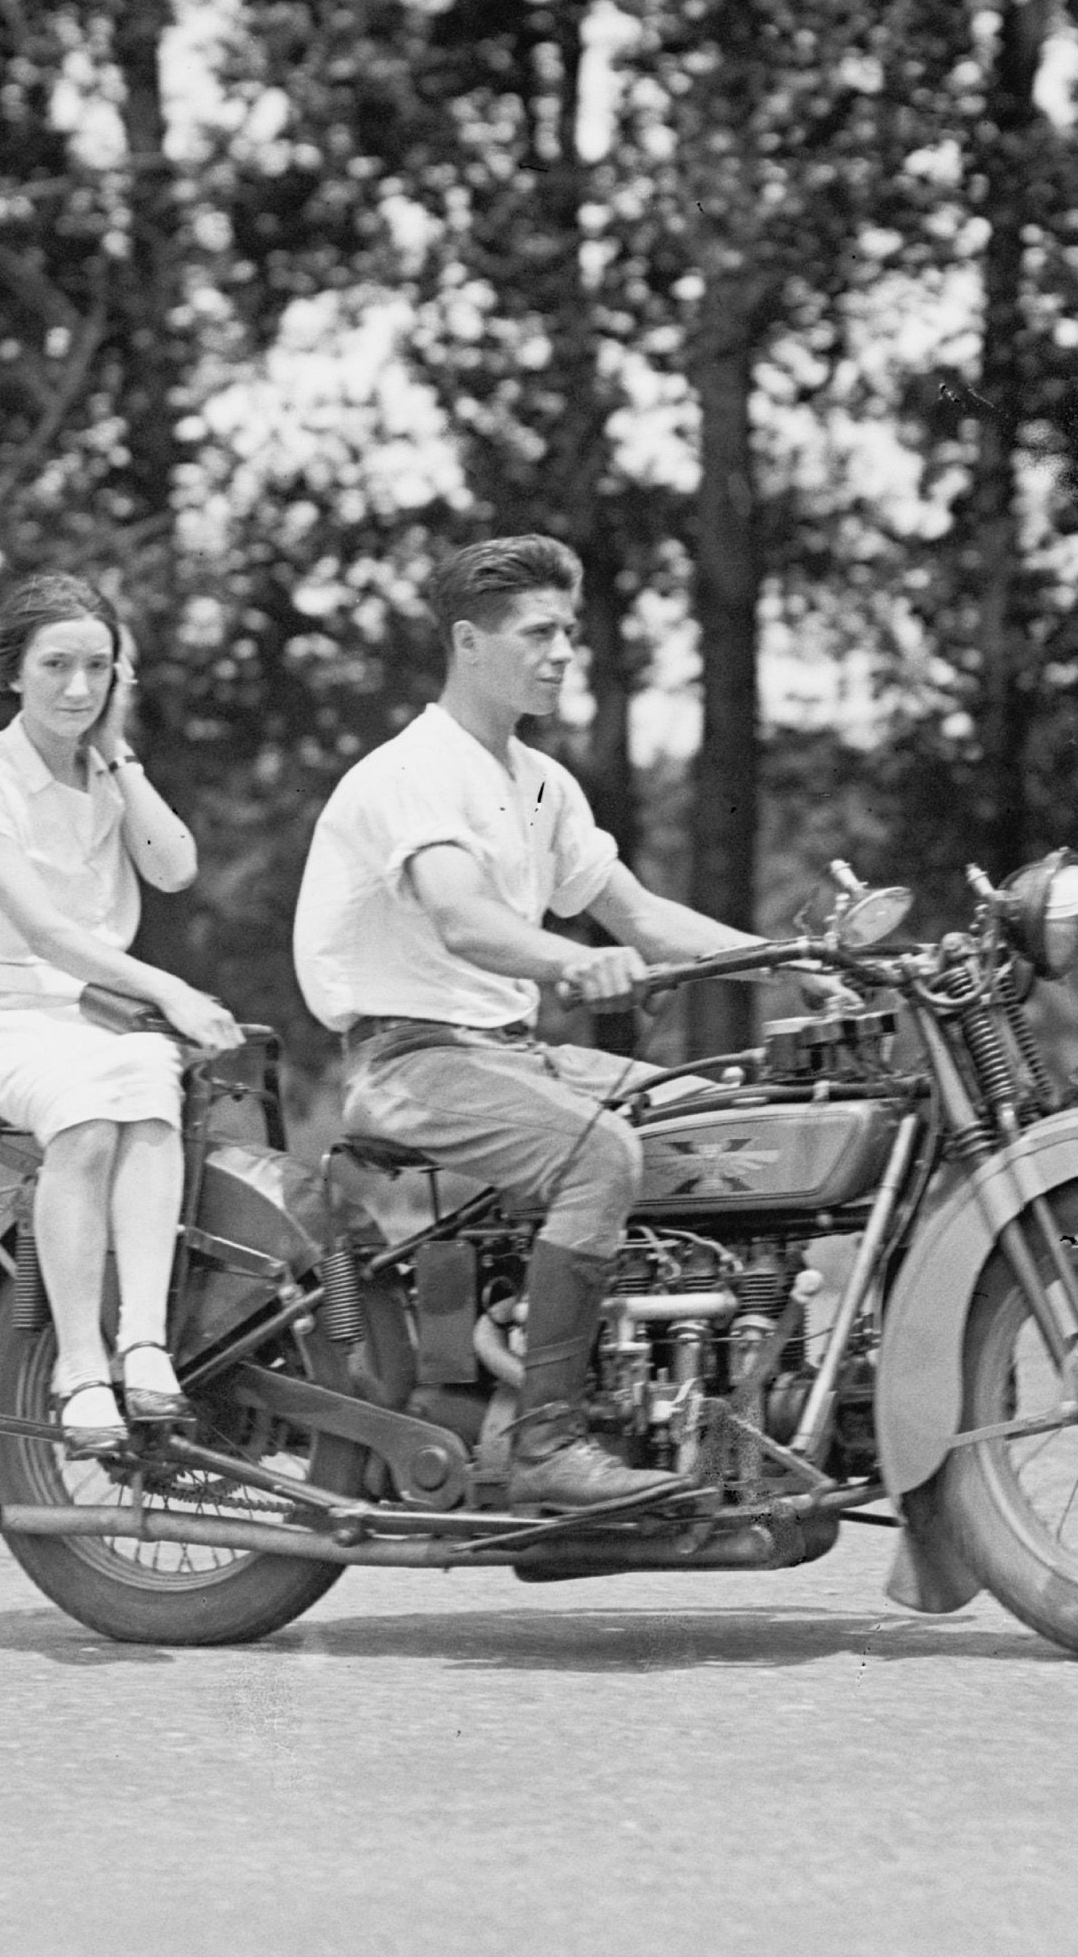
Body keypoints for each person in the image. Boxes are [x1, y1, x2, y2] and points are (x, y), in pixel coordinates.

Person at [292, 534, 762, 1508]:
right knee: (601, 1156)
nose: (561, 653)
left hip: (510, 1052)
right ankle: (546, 1440)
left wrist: (800, 961)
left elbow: (639, 914)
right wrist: (571, 958)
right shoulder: (416, 769)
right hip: (408, 1056)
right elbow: (462, 915)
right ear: (469, 640)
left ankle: (670, 1383)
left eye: (569, 635)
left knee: (723, 1123)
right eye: (539, 633)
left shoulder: (542, 781)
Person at [0, 573, 242, 1454]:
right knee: (93, 1108)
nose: (76, 687)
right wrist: (167, 990)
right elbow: (48, 933)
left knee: (149, 1077)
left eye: (97, 667)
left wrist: (120, 753)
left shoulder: (105, 774)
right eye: (55, 665)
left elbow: (174, 868)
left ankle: (143, 1343)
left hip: (87, 1017)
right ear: (13, 671)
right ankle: (79, 1365)